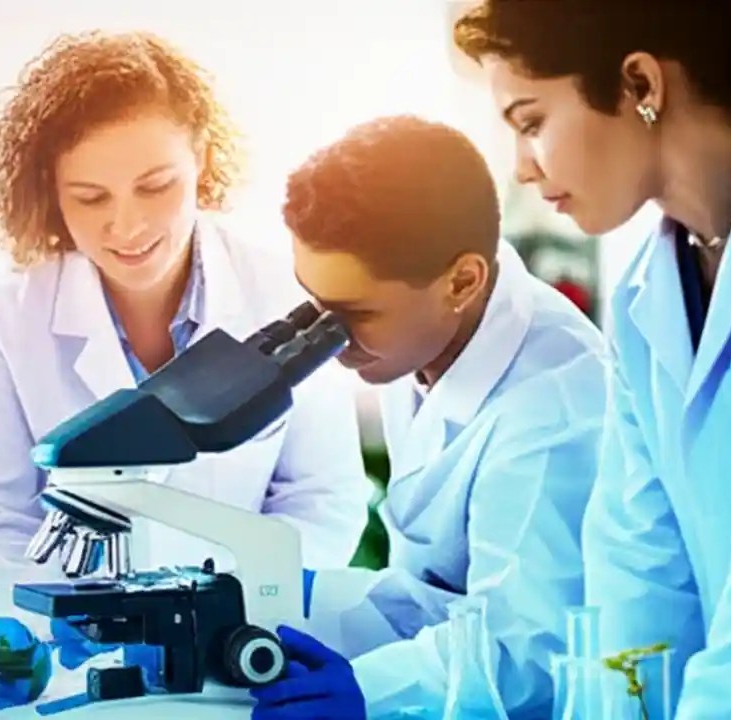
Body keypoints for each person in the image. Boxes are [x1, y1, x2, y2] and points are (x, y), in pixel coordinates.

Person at [0, 30, 369, 651]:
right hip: (71, 658)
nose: (126, 225)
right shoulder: (3, 318)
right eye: (90, 198)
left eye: (156, 186)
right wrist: (53, 632)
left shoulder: (283, 294)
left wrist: (230, 612)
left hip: (239, 641)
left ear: (202, 160)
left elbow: (323, 499)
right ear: (50, 192)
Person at [454, 2, 731, 717]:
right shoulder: (645, 295)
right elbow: (638, 577)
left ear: (640, 85)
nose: (521, 167)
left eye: (531, 122)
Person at [248, 116, 608, 719]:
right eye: (312, 303)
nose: (327, 338)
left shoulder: (551, 410)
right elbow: (434, 599)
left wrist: (371, 692)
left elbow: (526, 656)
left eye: (352, 313)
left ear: (463, 281)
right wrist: (283, 598)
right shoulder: (421, 338)